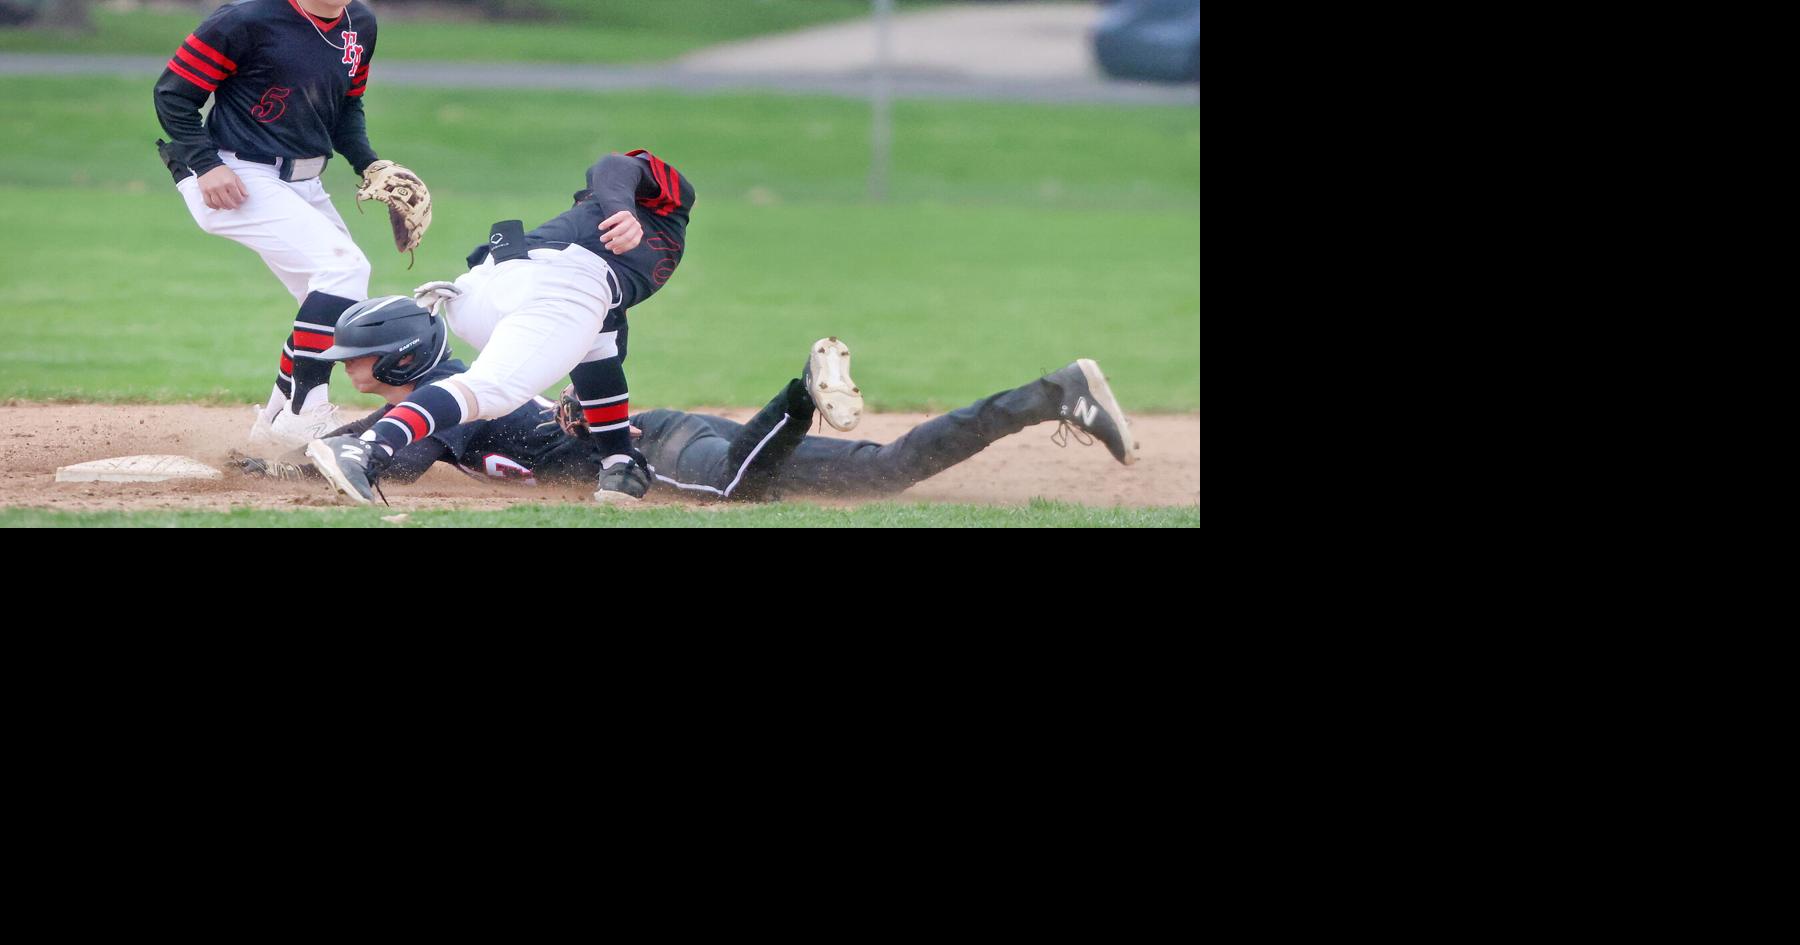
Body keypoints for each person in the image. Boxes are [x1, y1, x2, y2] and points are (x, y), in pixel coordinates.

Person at [236, 316, 1140, 501]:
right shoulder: (475, 384)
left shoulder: (450, 406)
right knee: (892, 472)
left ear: (399, 361)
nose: (351, 372)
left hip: (662, 452)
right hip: (670, 426)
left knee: (731, 493)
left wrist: (279, 460)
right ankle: (1053, 393)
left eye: (359, 362)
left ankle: (801, 392)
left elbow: (384, 455)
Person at [304, 148, 696, 504]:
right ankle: (369, 448)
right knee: (493, 390)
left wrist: (617, 455)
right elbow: (615, 165)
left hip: (484, 291)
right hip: (560, 280)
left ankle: (617, 464)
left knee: (571, 349)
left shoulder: (600, 283)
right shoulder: (658, 208)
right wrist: (622, 208)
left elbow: (600, 351)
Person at [152, 0, 426, 451]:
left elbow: (346, 107)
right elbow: (172, 94)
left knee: (332, 300)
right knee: (344, 269)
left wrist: (370, 164)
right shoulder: (245, 20)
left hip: (303, 181)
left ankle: (276, 425)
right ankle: (307, 410)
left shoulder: (359, 23)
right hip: (234, 175)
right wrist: (205, 165)